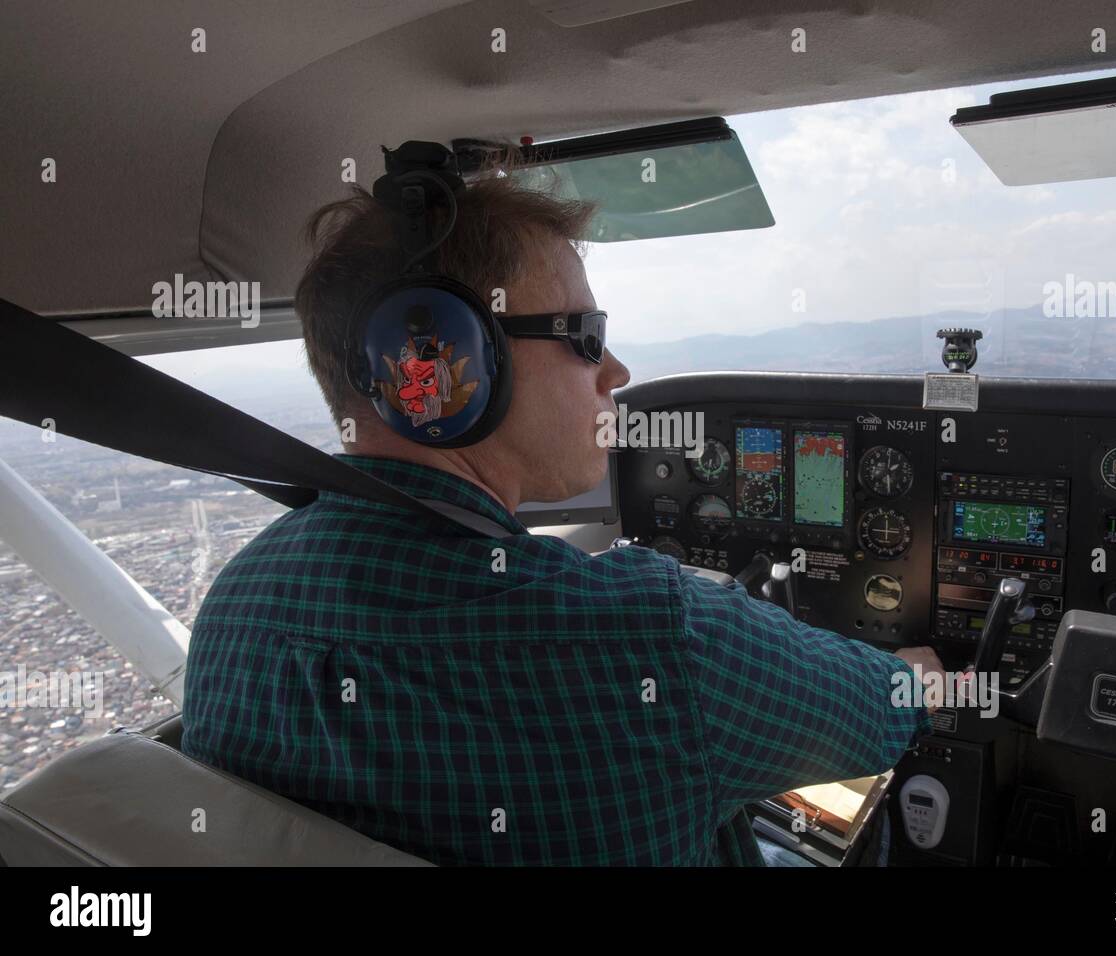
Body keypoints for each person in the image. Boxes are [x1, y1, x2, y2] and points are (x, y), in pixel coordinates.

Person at [181, 167, 946, 865]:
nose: (617, 373)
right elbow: (888, 711)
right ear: (456, 363)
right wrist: (929, 669)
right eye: (586, 336)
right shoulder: (650, 635)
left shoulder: (234, 605)